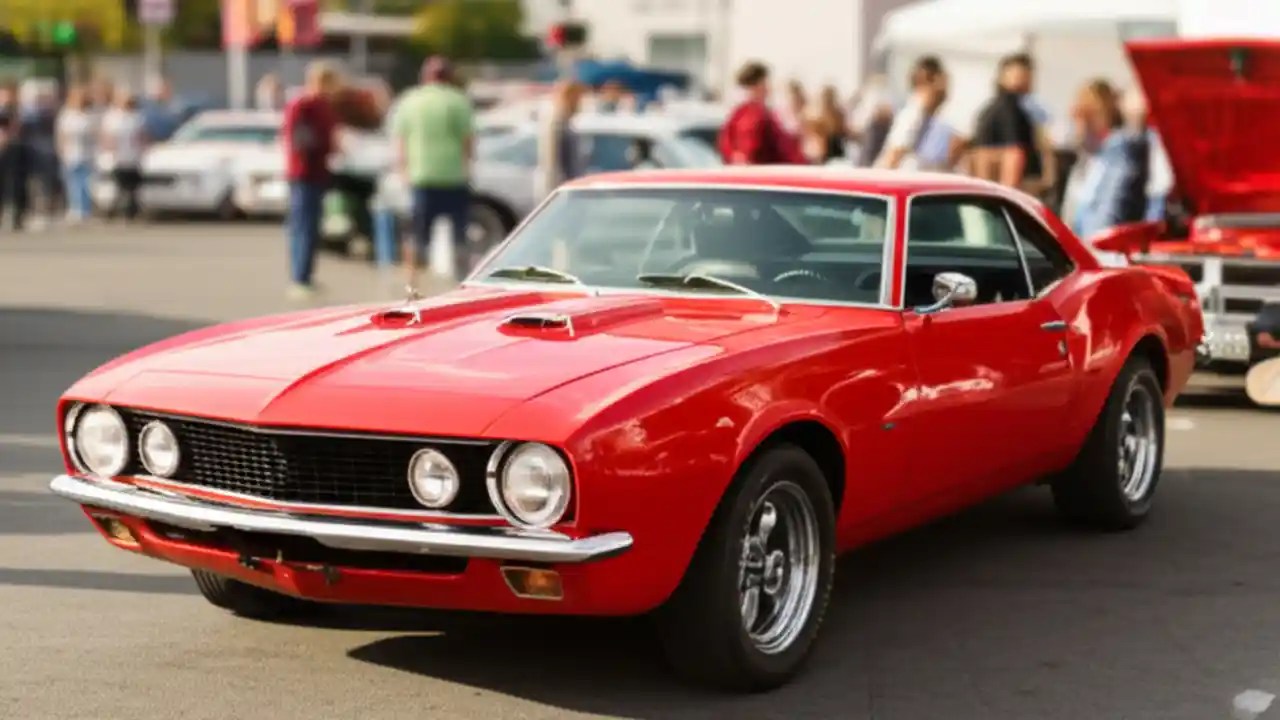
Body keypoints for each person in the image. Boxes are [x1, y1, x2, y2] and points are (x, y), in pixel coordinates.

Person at [391, 56, 476, 289]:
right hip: (453, 175)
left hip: (422, 175)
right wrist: (468, 166)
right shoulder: (458, 100)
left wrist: (403, 170)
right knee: (459, 234)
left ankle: (412, 282)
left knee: (417, 234)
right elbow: (468, 140)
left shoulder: (410, 101)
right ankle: (462, 281)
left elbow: (400, 140)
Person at [282, 61, 341, 300]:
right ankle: (299, 278)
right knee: (303, 226)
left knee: (311, 226)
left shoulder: (323, 105)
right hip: (304, 172)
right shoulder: (303, 105)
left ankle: (305, 275)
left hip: (317, 172)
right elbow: (300, 139)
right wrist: (324, 148)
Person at [1062, 79, 1147, 239]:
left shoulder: (1119, 150)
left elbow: (1108, 213)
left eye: (1081, 116)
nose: (1075, 125)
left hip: (1099, 250)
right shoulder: (1086, 160)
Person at [970, 53, 1045, 191]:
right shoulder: (1010, 109)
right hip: (1008, 189)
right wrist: (1010, 196)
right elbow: (1014, 155)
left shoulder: (992, 109)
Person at [876, 56, 960, 171]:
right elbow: (892, 158)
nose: (945, 88)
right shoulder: (912, 116)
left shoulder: (935, 120)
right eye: (942, 80)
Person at [717, 61, 804, 165]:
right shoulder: (753, 115)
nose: (769, 88)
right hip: (764, 174)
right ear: (758, 86)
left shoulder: (739, 114)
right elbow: (750, 152)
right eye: (765, 83)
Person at [98, 88, 147, 223]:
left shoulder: (137, 117)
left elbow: (142, 135)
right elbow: (106, 136)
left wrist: (144, 148)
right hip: (118, 157)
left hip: (133, 156)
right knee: (119, 186)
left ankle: (131, 213)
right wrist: (108, 150)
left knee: (133, 186)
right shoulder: (112, 117)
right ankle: (114, 212)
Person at [534, 79, 584, 199]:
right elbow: (552, 162)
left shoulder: (564, 122)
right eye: (577, 99)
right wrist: (558, 193)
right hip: (559, 187)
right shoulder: (557, 124)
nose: (580, 104)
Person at [57, 85, 97, 225]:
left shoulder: (89, 115)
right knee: (73, 183)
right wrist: (62, 152)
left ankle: (85, 211)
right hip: (71, 154)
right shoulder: (67, 115)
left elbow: (94, 135)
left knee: (85, 184)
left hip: (86, 154)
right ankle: (75, 209)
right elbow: (61, 135)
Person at [0, 82, 30, 231]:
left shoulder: (18, 111)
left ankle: (17, 216)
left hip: (15, 149)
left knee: (16, 184)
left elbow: (17, 129)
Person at [813, 85, 849, 163]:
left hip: (837, 157)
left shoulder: (839, 116)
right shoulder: (816, 120)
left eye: (830, 99)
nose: (828, 102)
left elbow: (845, 133)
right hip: (821, 158)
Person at [141, 76, 182, 144]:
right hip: (154, 142)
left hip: (171, 141)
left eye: (167, 89)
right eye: (162, 89)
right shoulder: (149, 108)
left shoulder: (175, 106)